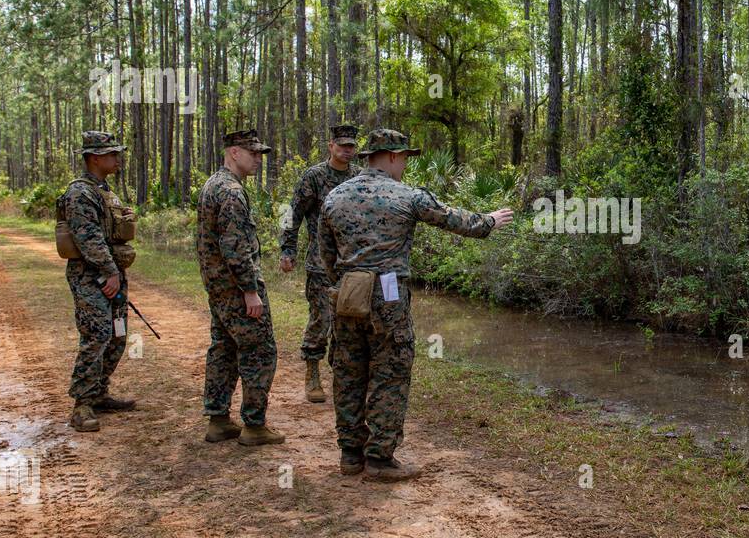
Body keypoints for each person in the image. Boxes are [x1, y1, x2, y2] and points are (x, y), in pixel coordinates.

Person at [318, 129, 514, 478]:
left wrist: (345, 280)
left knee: (348, 371)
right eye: (405, 158)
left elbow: (326, 255)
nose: (405, 165)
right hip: (389, 294)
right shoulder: (406, 196)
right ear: (393, 156)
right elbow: (452, 219)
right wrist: (489, 221)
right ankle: (379, 458)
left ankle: (350, 454)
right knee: (389, 371)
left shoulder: (334, 197)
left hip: (348, 292)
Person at [196, 129, 283, 446]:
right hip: (235, 288)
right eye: (253, 152)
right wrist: (250, 289)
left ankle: (218, 420)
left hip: (219, 287)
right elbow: (234, 247)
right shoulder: (230, 192)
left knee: (224, 348)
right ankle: (254, 425)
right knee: (260, 350)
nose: (258, 159)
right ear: (234, 152)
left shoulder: (213, 184)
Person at [58, 131, 138, 432]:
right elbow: (88, 238)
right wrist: (109, 271)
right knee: (97, 335)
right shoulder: (80, 192)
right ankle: (82, 403)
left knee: (117, 335)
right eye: (112, 154)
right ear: (94, 157)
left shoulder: (104, 190)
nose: (118, 159)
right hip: (91, 276)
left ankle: (100, 392)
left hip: (112, 274)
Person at [279, 124, 360, 403]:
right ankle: (312, 372)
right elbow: (291, 213)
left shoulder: (359, 177)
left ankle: (341, 374)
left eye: (351, 146)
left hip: (350, 265)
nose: (347, 151)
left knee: (349, 321)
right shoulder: (314, 176)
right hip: (319, 264)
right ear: (331, 145)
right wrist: (286, 249)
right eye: (342, 146)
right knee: (321, 318)